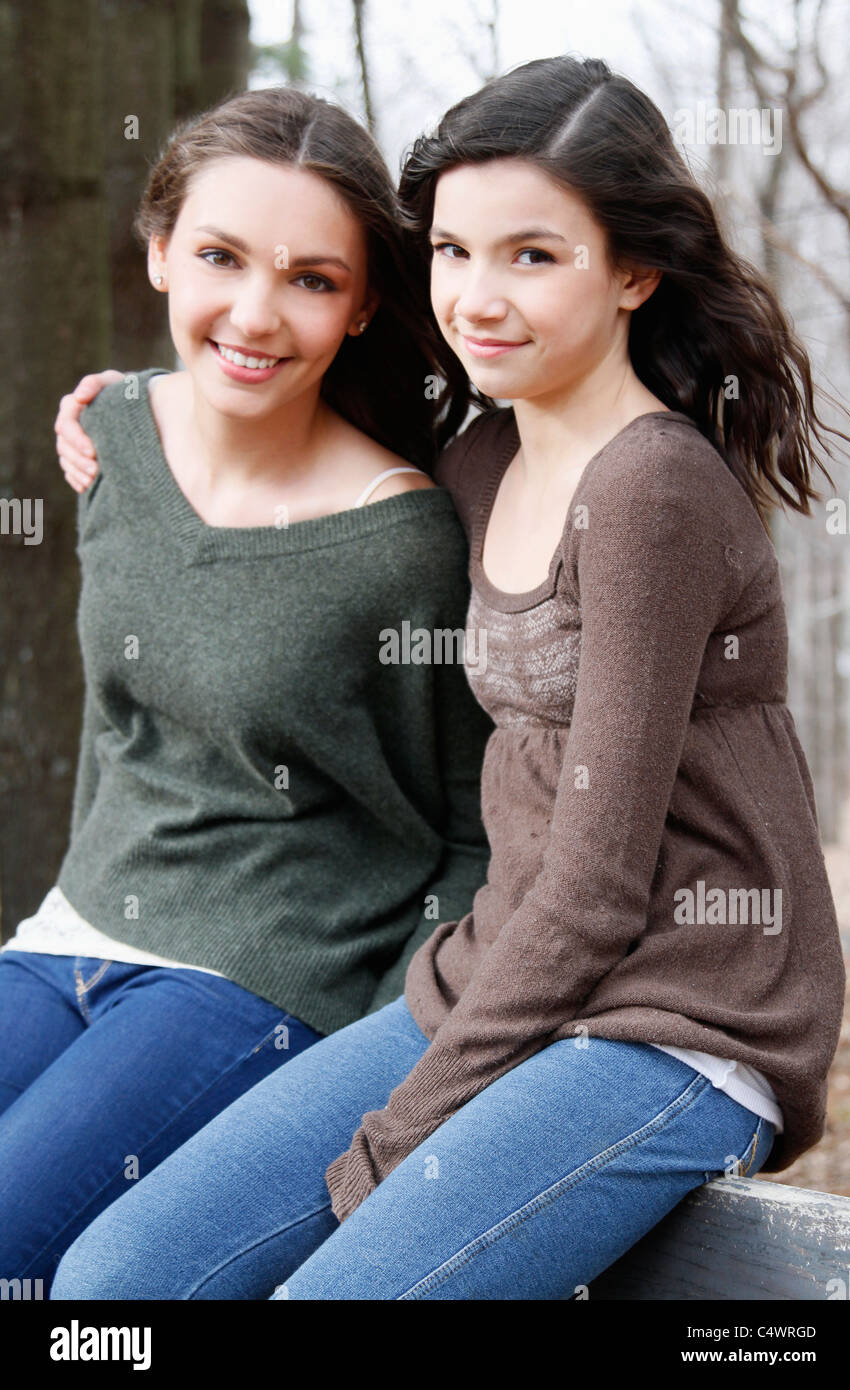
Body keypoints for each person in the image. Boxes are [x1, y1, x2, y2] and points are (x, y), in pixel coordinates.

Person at [51, 54, 850, 1302]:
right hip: (494, 972)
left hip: (679, 1020)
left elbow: (595, 891)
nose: (478, 297)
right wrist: (126, 413)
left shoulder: (651, 492)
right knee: (117, 1276)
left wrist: (398, 1128)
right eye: (453, 252)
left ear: (633, 273)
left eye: (532, 256)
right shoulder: (480, 449)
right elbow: (283, 415)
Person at [0, 86, 493, 1287]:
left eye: (312, 279)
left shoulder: (401, 543)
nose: (256, 315)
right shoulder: (110, 434)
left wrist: (385, 1056)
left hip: (262, 978)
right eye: (220, 256)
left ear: (365, 300)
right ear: (159, 250)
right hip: (66, 931)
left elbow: (472, 831)